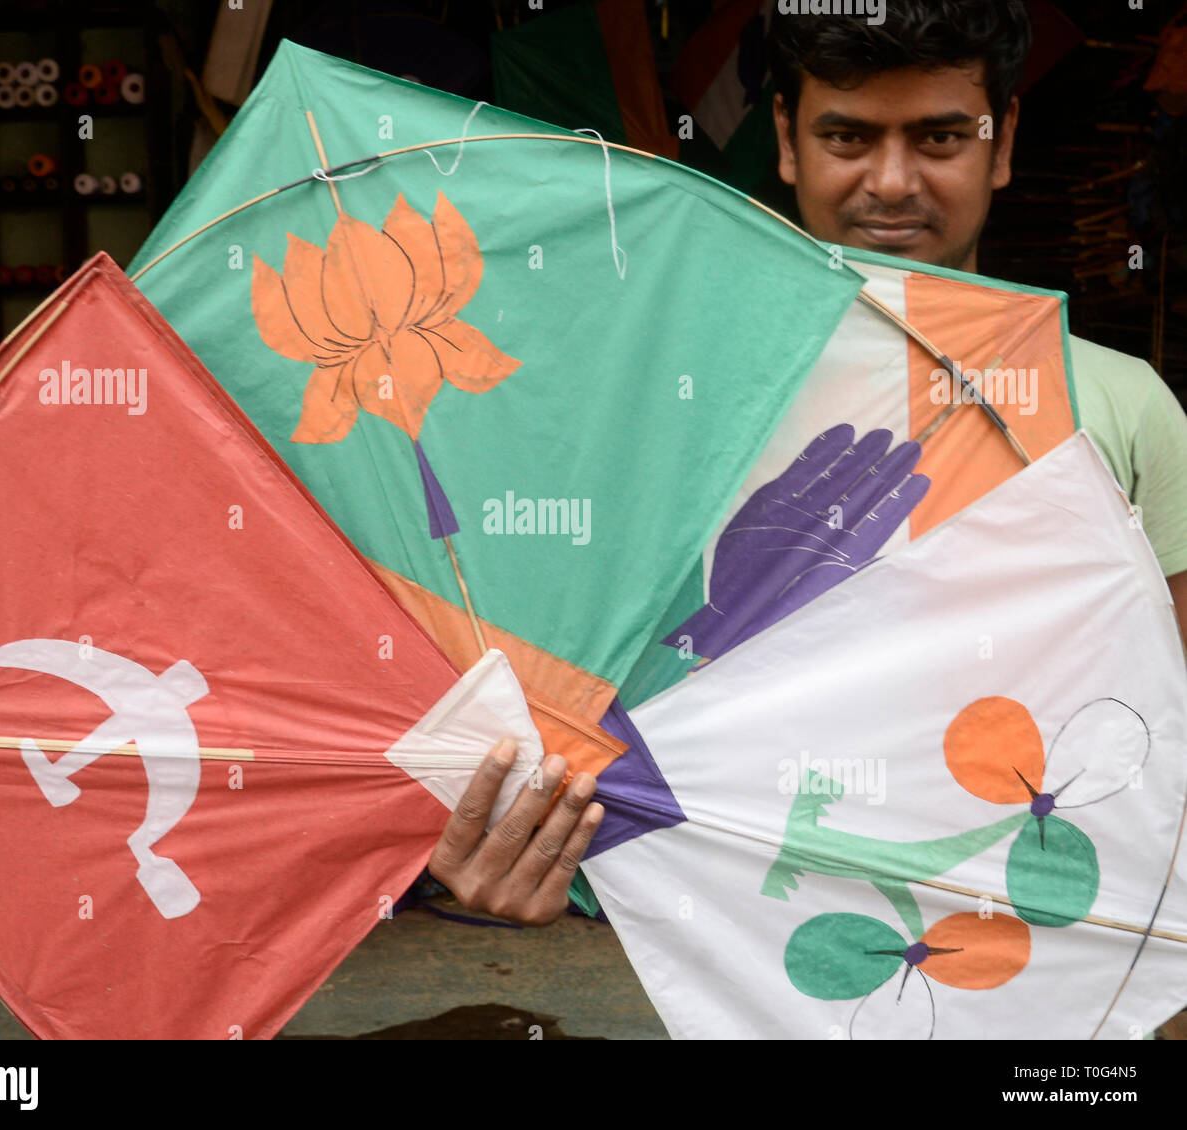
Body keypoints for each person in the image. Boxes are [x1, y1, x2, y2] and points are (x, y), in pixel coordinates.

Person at [428, 0, 1187, 927]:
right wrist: (508, 842)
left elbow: (1166, 754)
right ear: (786, 140)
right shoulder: (660, 397)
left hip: (1008, 957)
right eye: (849, 137)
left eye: (941, 138)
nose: (894, 182)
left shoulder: (1122, 405)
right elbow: (538, 690)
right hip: (704, 946)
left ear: (1003, 141)